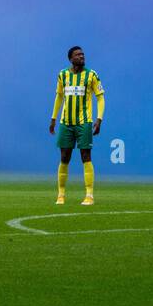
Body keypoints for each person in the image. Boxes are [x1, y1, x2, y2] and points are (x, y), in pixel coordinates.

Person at [49, 45, 105, 205]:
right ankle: (60, 195)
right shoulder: (63, 75)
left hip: (84, 123)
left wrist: (99, 119)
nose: (82, 56)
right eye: (78, 55)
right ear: (71, 58)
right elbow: (59, 97)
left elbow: (100, 97)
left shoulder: (92, 75)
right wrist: (53, 118)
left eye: (83, 54)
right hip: (66, 123)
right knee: (64, 157)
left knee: (86, 156)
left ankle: (89, 195)